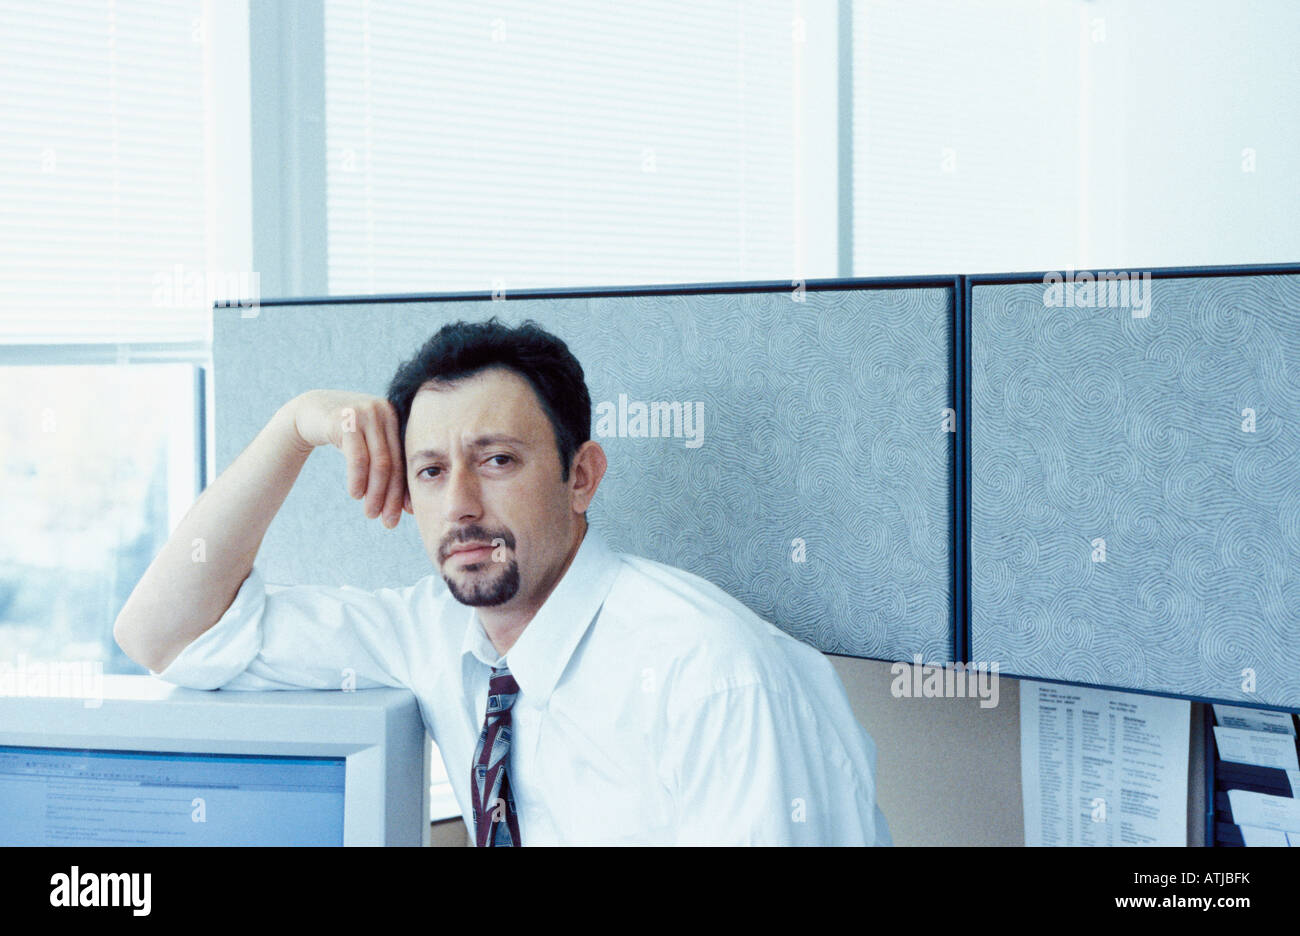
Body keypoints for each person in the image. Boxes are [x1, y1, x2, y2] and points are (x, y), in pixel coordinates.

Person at [115, 317, 891, 846]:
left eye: (497, 461)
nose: (460, 506)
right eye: (430, 471)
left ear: (580, 477)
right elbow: (164, 634)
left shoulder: (712, 677)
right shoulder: (433, 635)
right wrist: (291, 428)